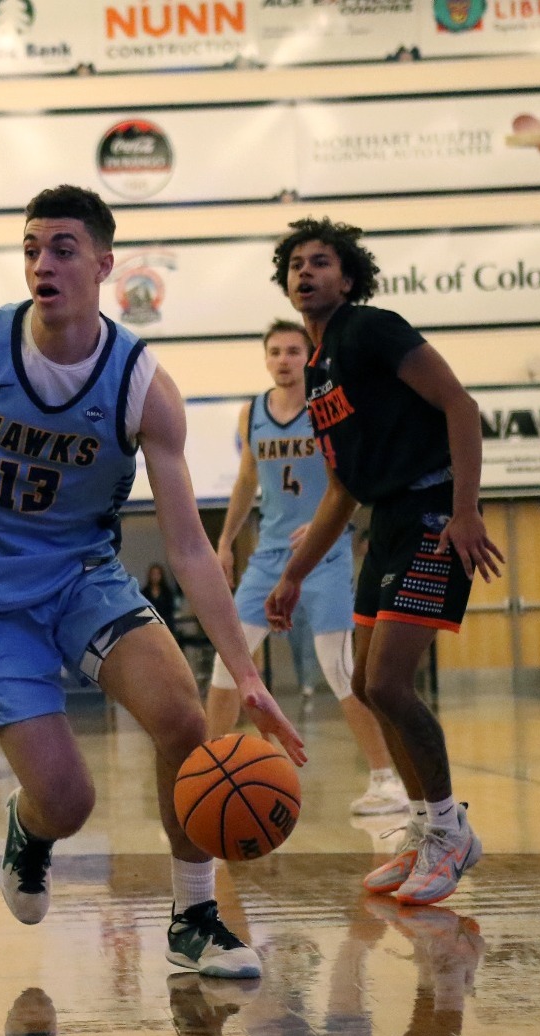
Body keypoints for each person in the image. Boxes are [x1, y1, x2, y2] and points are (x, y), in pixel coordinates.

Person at [0, 185, 303, 977]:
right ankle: (30, 829)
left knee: (182, 715)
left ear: (104, 264)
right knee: (69, 801)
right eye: (34, 246)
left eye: (64, 248)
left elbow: (189, 549)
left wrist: (244, 671)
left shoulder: (143, 385)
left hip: (83, 576)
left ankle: (194, 914)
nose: (44, 262)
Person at [264, 216, 504, 906]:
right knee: (369, 686)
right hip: (389, 519)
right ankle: (429, 827)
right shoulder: (316, 371)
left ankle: (450, 830)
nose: (306, 273)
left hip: (432, 509)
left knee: (391, 684)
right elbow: (341, 486)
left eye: (321, 262)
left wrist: (466, 507)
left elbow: (460, 403)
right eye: (296, 265)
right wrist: (292, 575)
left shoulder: (371, 328)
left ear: (348, 276)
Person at [208, 319, 406, 818]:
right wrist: (226, 542)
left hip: (324, 554)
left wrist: (326, 522)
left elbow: (361, 477)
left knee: (338, 666)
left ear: (309, 355)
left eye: (293, 350)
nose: (283, 359)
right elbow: (247, 480)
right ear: (266, 357)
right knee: (228, 662)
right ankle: (209, 768)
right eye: (274, 351)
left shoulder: (330, 407)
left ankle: (387, 780)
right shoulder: (251, 412)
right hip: (268, 557)